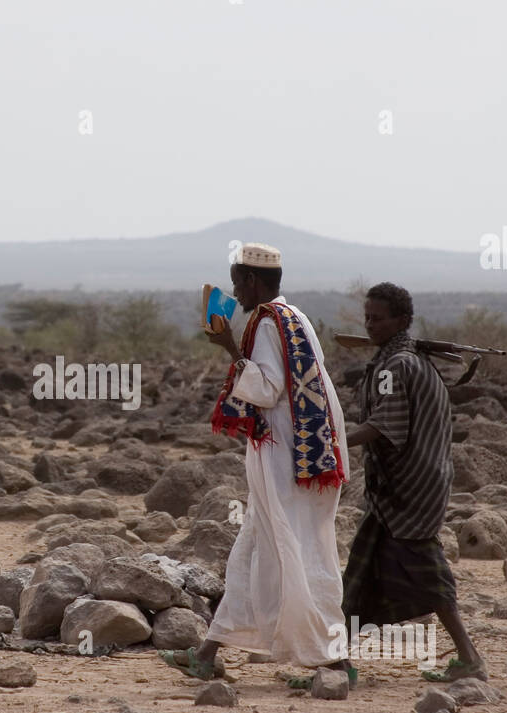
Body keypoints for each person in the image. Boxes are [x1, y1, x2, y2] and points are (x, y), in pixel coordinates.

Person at [159, 243, 353, 687]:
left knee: (295, 552)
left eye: (236, 284)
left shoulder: (267, 323)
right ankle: (208, 653)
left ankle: (334, 662)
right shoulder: (295, 316)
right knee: (255, 550)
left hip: (284, 457)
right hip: (304, 456)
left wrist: (229, 345)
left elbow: (265, 390)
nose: (235, 294)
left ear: (251, 281)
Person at [342, 282, 486, 682]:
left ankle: (471, 658)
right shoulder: (412, 360)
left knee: (428, 574)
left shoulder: (397, 366)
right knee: (364, 569)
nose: (370, 325)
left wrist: (331, 441)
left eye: (378, 318)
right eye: (367, 318)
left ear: (402, 321)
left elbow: (385, 425)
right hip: (413, 487)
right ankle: (339, 659)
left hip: (407, 491)